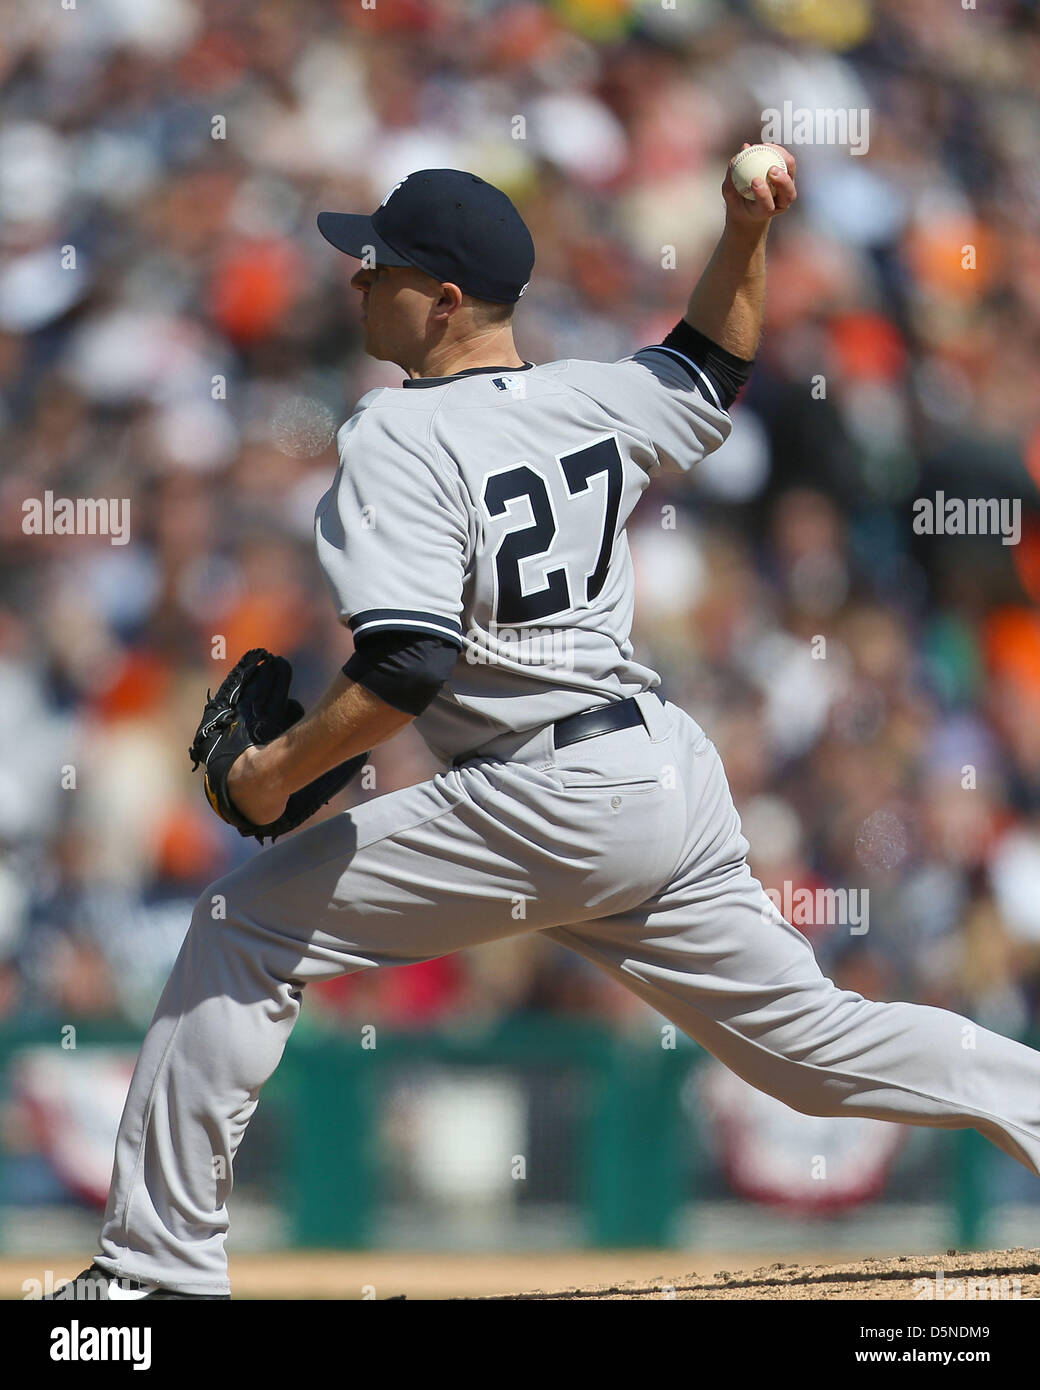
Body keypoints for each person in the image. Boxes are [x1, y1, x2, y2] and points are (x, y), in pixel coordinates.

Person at [50, 154, 1040, 1301]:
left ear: (444, 301)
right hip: (661, 777)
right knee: (811, 1049)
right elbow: (711, 363)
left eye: (379, 265)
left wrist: (269, 775)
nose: (356, 280)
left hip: (543, 793)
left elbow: (408, 665)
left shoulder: (395, 435)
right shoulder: (589, 395)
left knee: (239, 923)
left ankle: (154, 1280)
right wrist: (741, 227)